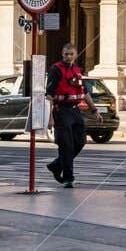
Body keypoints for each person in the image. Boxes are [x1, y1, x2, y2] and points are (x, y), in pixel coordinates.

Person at [45, 44, 94, 188]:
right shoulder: (55, 69)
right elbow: (49, 95)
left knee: (80, 142)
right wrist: (50, 117)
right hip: (61, 111)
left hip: (75, 111)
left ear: (76, 55)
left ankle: (56, 165)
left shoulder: (77, 70)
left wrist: (94, 110)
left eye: (71, 54)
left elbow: (84, 92)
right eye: (66, 54)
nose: (68, 56)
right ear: (62, 54)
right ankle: (68, 178)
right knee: (66, 145)